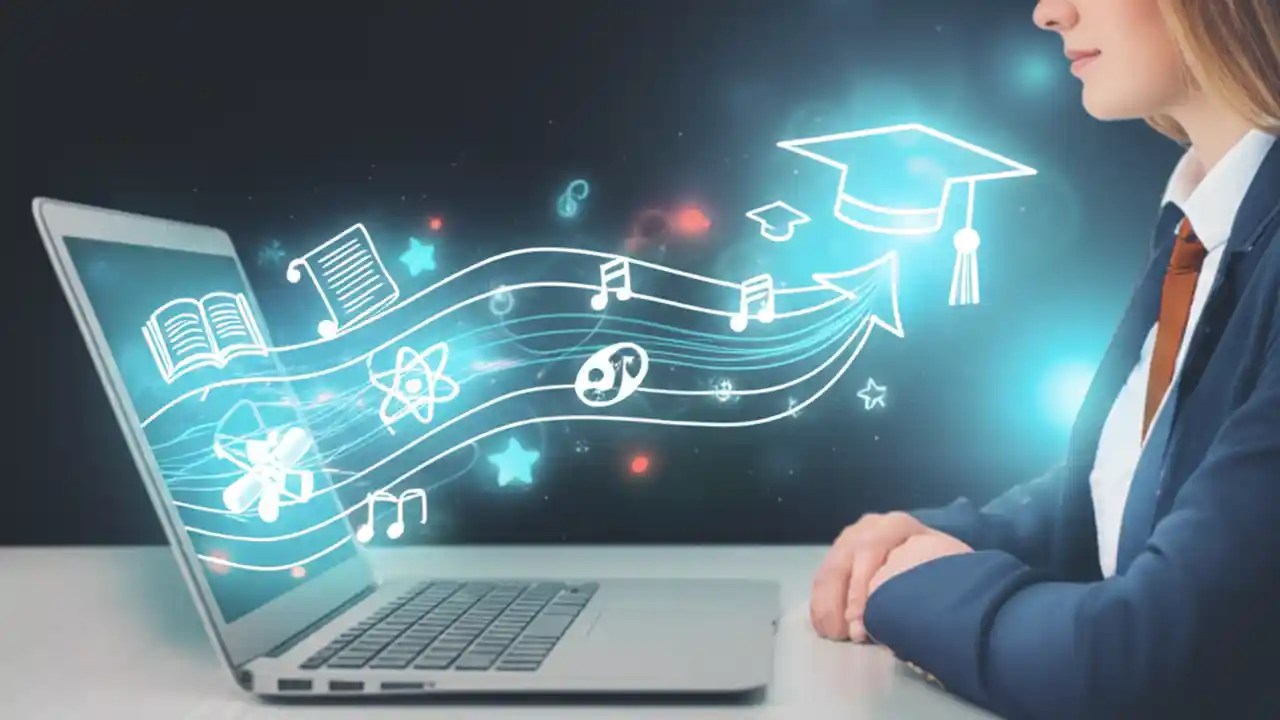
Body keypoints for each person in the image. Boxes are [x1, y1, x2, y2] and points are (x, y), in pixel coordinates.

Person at [808, 1, 1280, 718]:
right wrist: (945, 539)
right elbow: (1164, 487)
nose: (1049, 13)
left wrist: (914, 590)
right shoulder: (1206, 223)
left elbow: (1140, 657)